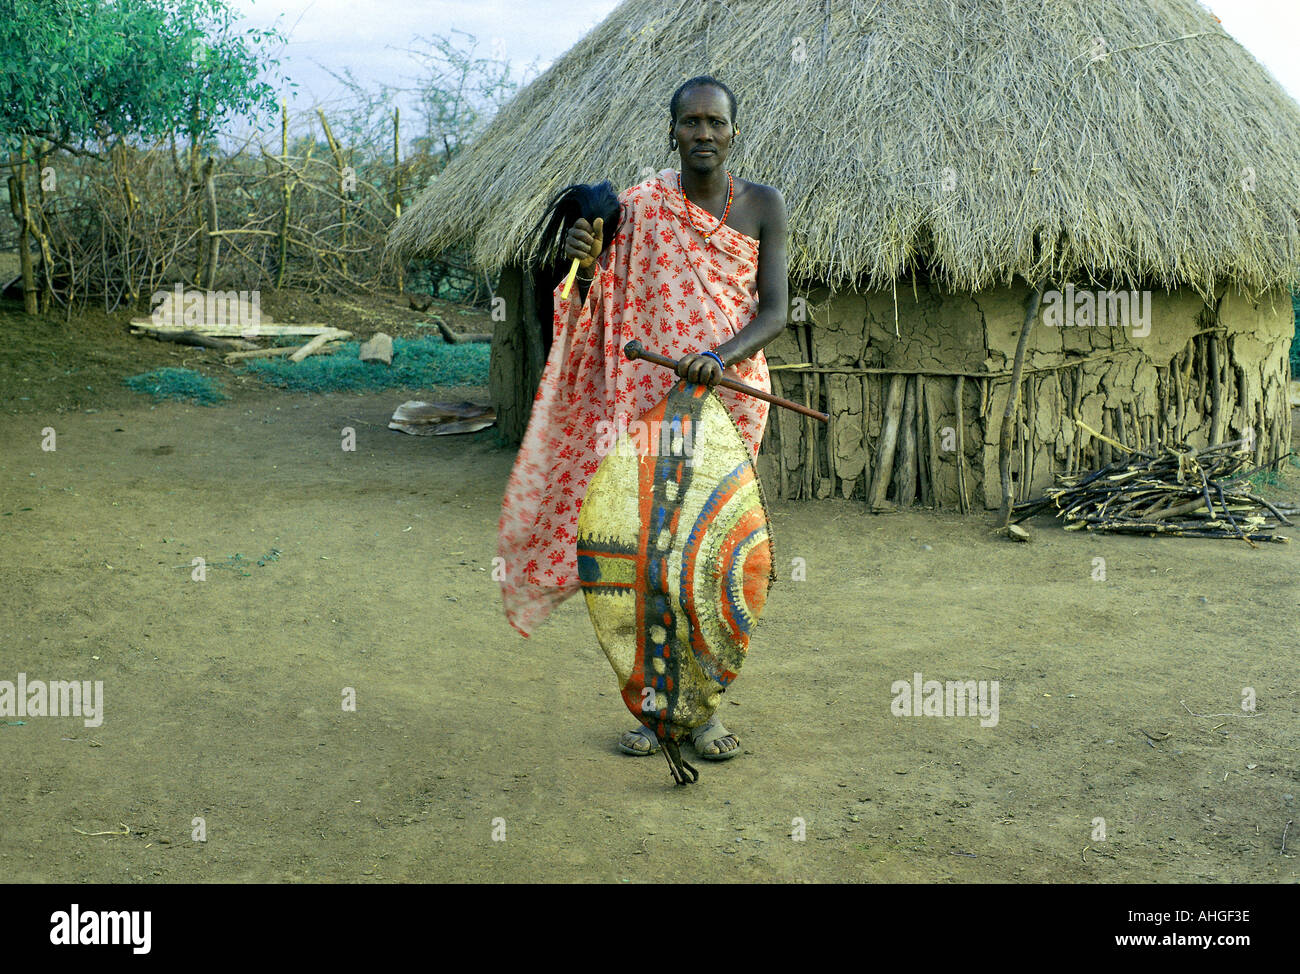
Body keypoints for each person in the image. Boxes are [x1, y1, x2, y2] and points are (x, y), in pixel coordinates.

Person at [497, 75, 789, 761]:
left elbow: (773, 311)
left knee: (715, 560)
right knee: (652, 561)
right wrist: (584, 264)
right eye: (690, 122)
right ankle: (657, 708)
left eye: (716, 122)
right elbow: (592, 298)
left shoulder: (765, 206)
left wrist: (718, 356)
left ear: (734, 132)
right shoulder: (640, 207)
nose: (703, 134)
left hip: (730, 404)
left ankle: (706, 710)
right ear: (672, 132)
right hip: (649, 404)